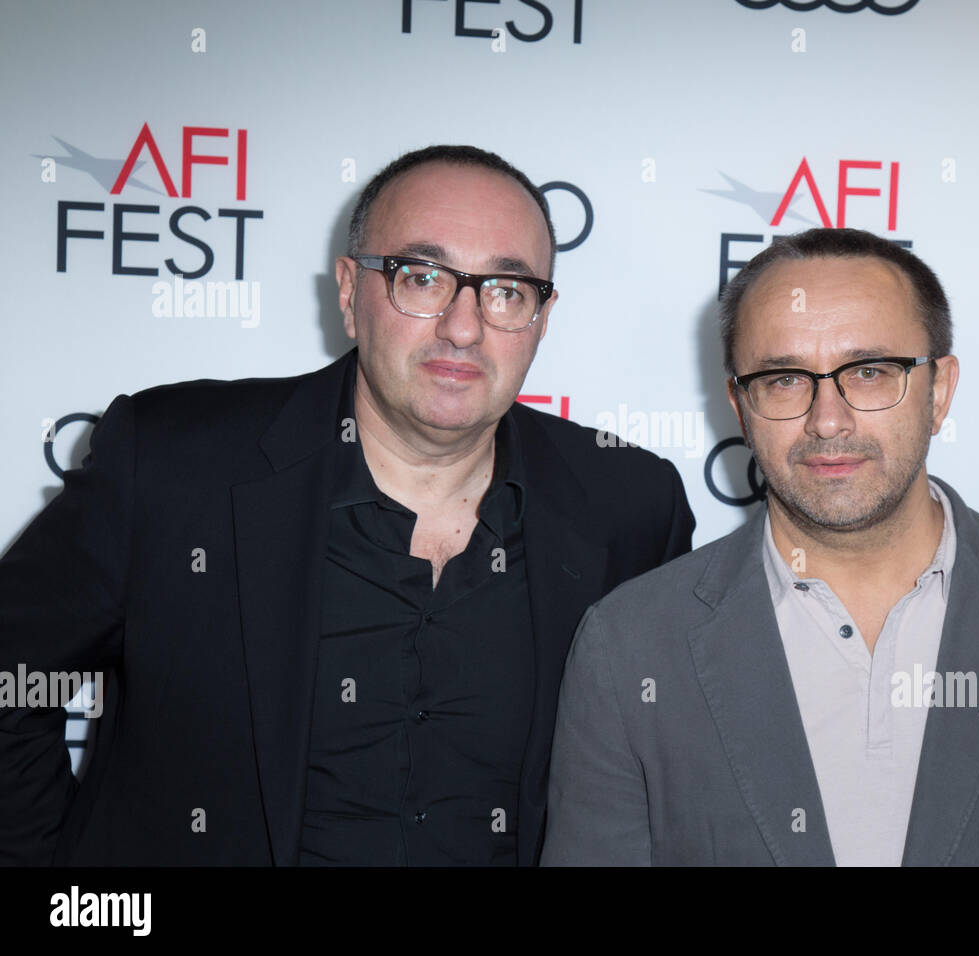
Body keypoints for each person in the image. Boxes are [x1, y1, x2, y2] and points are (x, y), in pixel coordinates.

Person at [0, 144, 694, 866]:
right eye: (421, 278)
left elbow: (666, 774)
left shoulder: (630, 506)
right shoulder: (174, 467)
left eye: (506, 291)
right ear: (347, 292)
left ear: (542, 320)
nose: (463, 326)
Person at [541, 227, 979, 866]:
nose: (828, 420)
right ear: (740, 408)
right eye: (785, 379)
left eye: (871, 371)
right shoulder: (631, 643)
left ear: (938, 393)